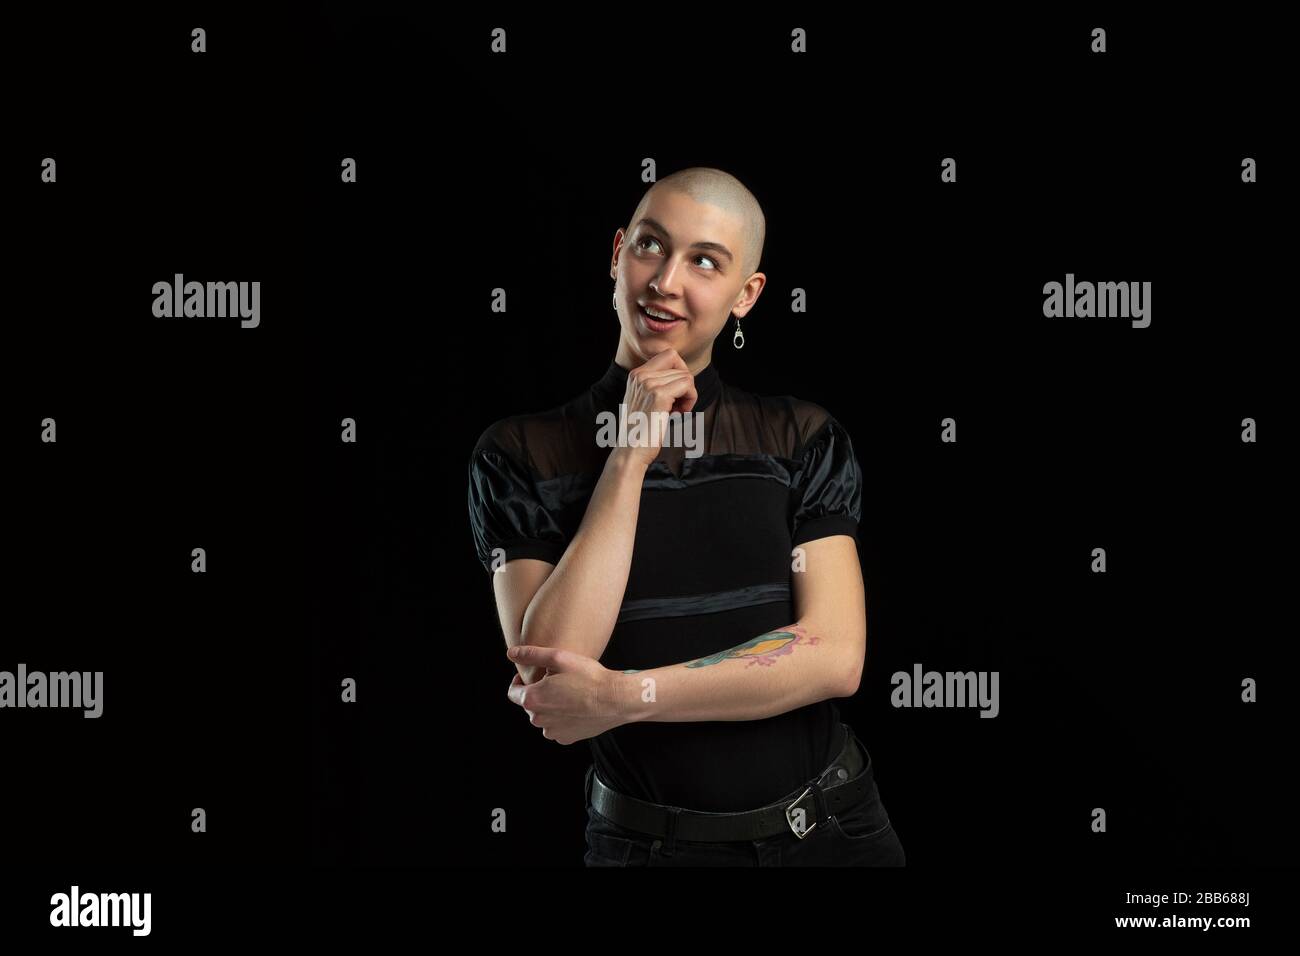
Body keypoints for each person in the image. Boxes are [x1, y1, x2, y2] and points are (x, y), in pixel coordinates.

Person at [468, 167, 904, 866]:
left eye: (705, 261)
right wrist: (628, 458)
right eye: (650, 246)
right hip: (647, 849)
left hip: (831, 834)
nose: (666, 281)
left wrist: (624, 695)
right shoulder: (522, 453)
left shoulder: (799, 438)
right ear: (616, 255)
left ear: (746, 296)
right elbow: (551, 675)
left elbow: (834, 656)